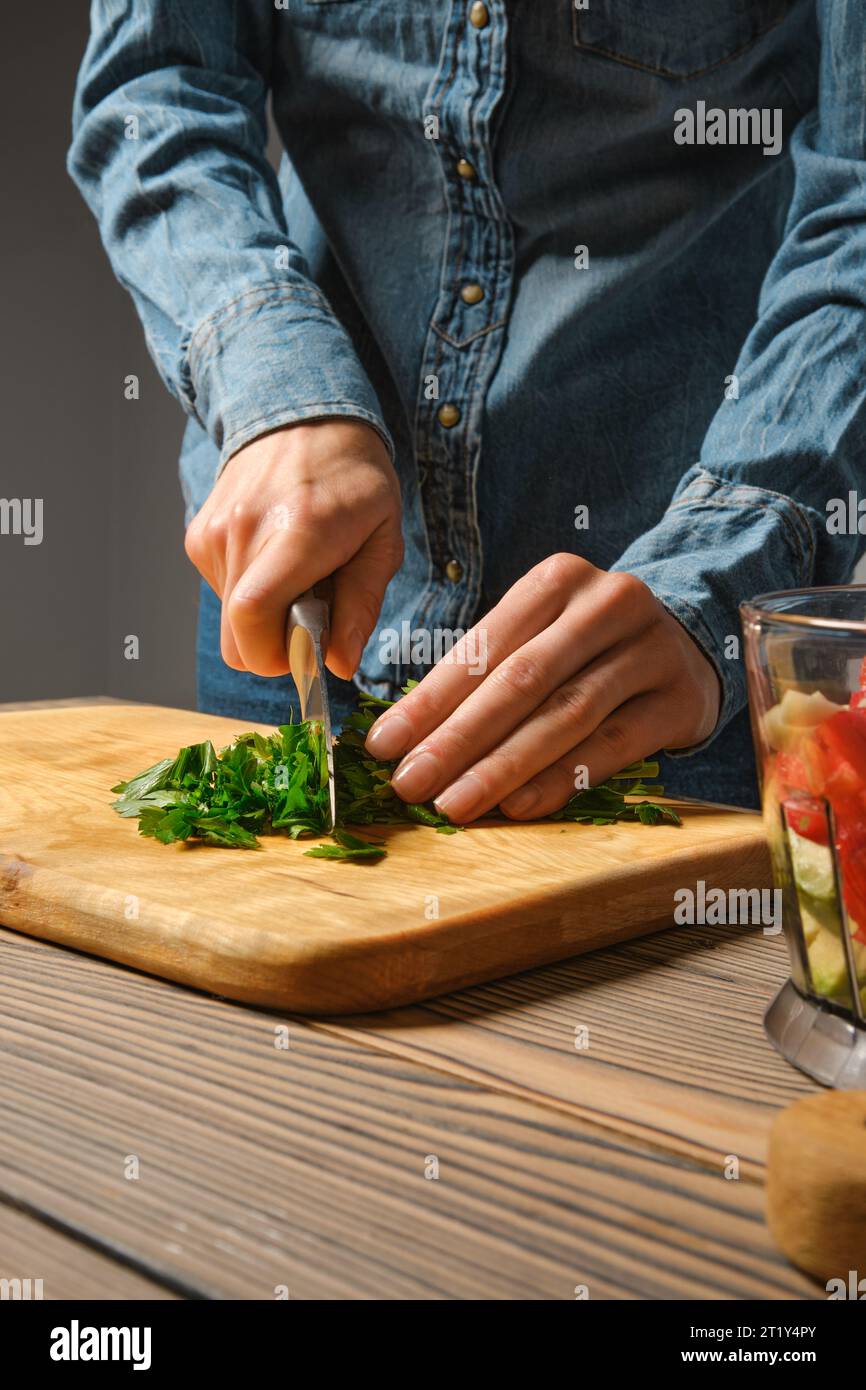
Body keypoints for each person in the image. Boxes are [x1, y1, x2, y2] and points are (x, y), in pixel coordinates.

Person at [69, 1, 865, 821]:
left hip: (653, 657)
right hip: (299, 588)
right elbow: (156, 85)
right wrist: (276, 384)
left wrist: (727, 558)